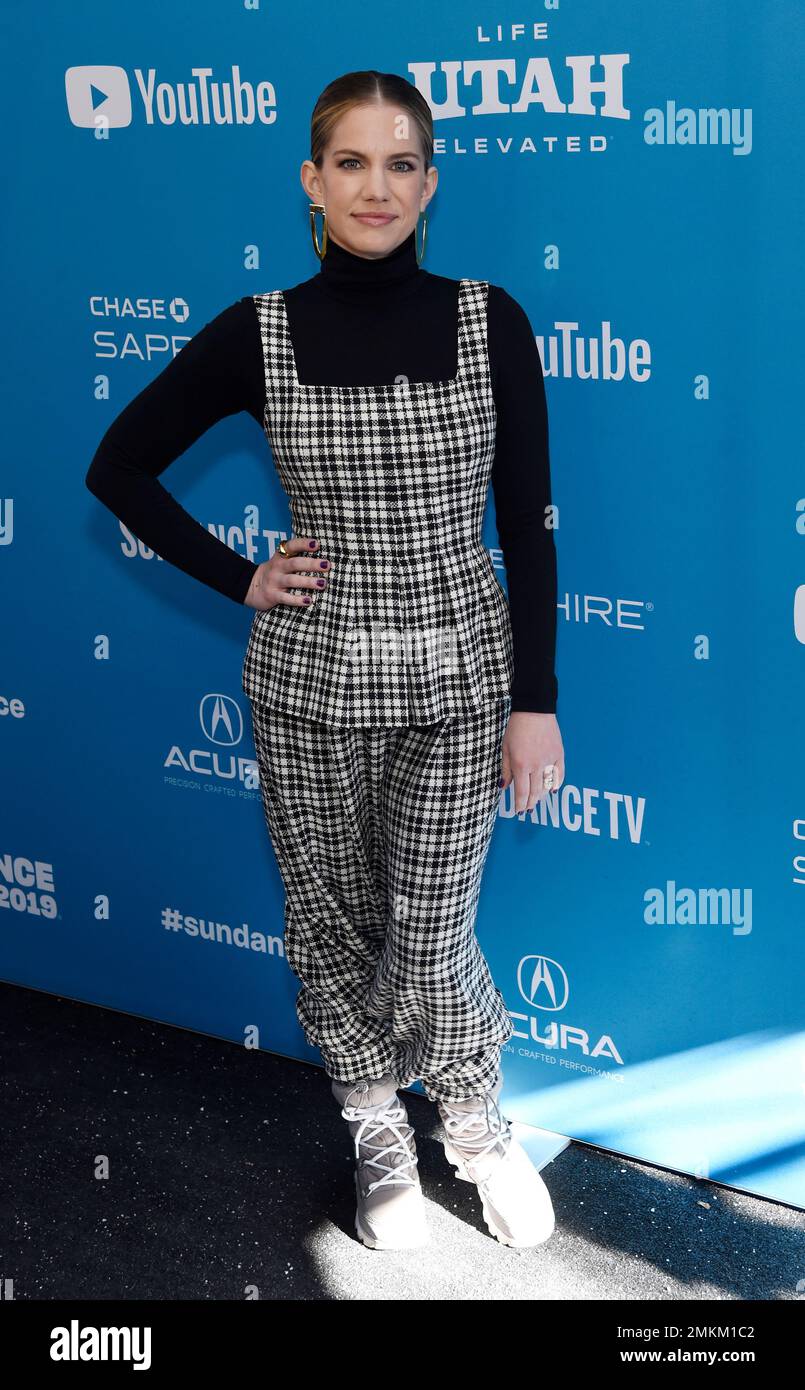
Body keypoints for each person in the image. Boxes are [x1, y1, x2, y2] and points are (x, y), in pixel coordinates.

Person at [85, 69, 565, 1252]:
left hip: (460, 678)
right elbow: (120, 464)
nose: (377, 185)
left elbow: (531, 525)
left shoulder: (488, 318)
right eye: (351, 161)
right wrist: (241, 573)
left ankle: (471, 1117)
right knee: (330, 924)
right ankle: (373, 1123)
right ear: (311, 180)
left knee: (435, 929)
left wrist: (535, 703)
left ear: (431, 182)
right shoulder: (260, 328)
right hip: (309, 683)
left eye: (402, 162)